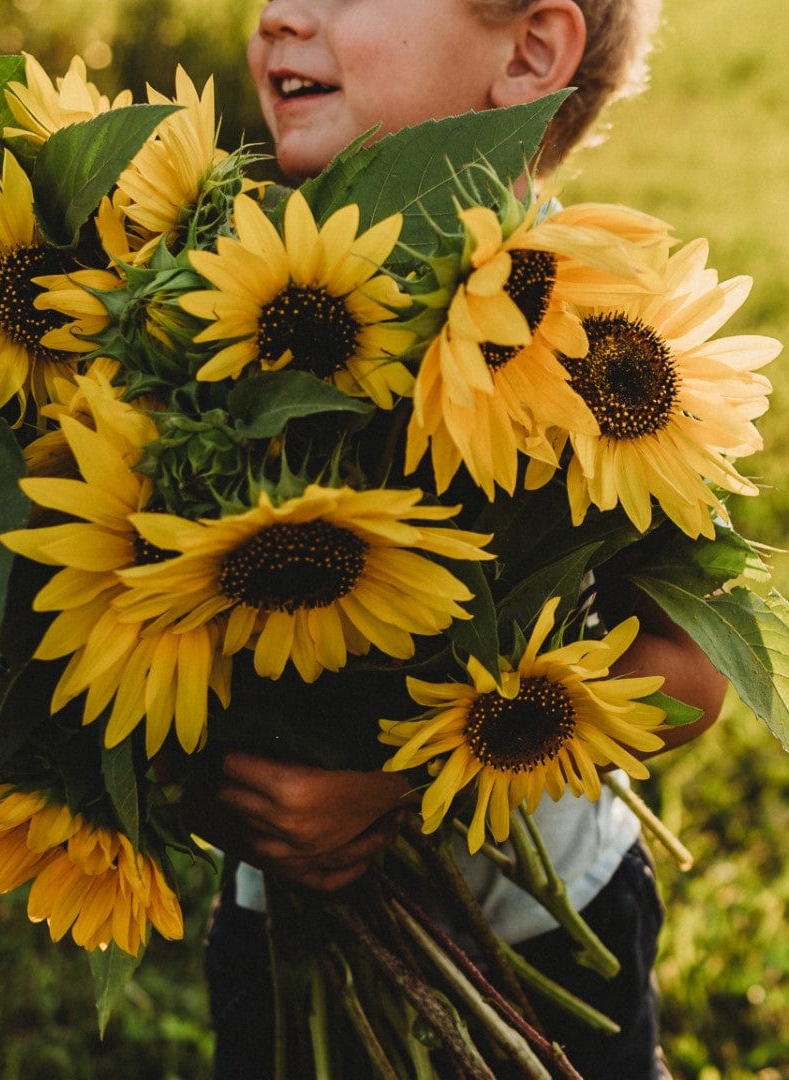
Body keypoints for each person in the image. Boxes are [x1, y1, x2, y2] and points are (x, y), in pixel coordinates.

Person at [185, 2, 729, 1079]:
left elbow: (691, 672)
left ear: (529, 52)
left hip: (542, 943)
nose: (278, 14)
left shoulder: (601, 343)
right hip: (278, 930)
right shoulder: (236, 285)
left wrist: (407, 782)